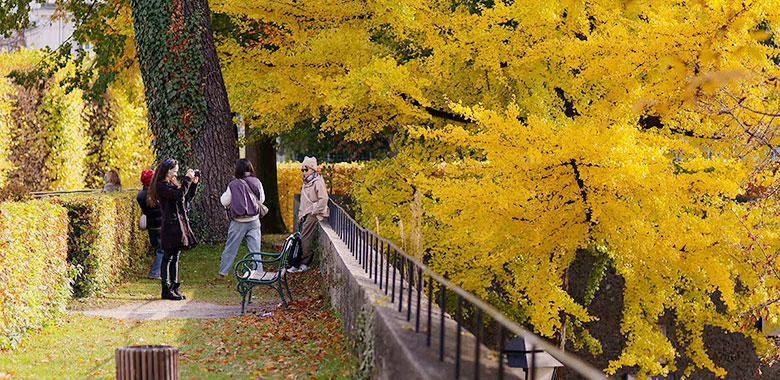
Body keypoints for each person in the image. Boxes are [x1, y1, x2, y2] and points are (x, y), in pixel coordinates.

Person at [147, 158, 199, 301]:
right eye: (174, 172)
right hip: (170, 226)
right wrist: (187, 180)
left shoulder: (172, 184)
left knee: (175, 257)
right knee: (168, 257)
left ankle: (174, 288)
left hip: (179, 225)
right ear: (167, 171)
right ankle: (166, 289)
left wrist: (193, 184)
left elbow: (185, 198)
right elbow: (178, 195)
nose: (176, 174)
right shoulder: (161, 186)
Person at [215, 158, 265, 280]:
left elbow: (224, 201)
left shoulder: (233, 185)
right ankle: (258, 274)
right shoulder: (257, 182)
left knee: (231, 248)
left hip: (238, 221)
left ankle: (222, 273)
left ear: (237, 169)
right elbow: (261, 199)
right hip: (254, 220)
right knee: (255, 250)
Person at [290, 156, 329, 273]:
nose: (304, 172)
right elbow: (303, 201)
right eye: (302, 170)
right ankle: (297, 262)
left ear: (313, 169)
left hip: (314, 214)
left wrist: (315, 211)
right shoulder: (306, 182)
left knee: (305, 238)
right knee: (301, 238)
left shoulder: (317, 182)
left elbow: (323, 199)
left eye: (306, 169)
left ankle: (304, 263)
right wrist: (301, 214)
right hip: (306, 214)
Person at [136, 169, 163, 280]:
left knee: (157, 248)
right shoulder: (158, 193)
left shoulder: (141, 195)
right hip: (161, 224)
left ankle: (158, 271)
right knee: (162, 250)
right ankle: (155, 272)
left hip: (151, 225)